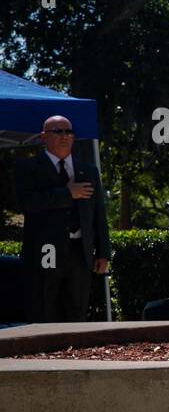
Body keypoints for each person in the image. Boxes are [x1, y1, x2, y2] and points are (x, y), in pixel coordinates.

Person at [14, 115, 111, 322]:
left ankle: (74, 354)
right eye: (57, 132)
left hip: (79, 251)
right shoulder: (29, 169)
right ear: (43, 137)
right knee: (45, 308)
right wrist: (67, 194)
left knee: (77, 310)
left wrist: (103, 252)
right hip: (45, 250)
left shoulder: (88, 171)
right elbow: (26, 203)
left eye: (68, 132)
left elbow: (98, 213)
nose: (64, 136)